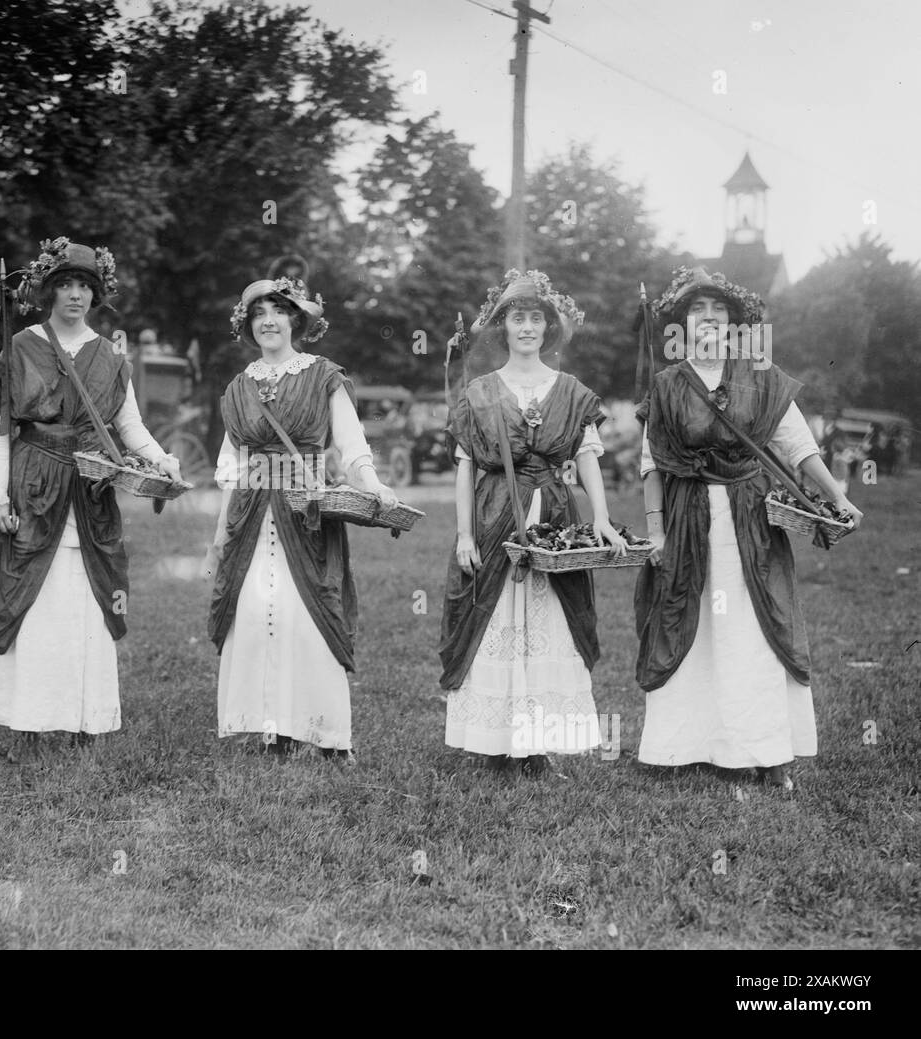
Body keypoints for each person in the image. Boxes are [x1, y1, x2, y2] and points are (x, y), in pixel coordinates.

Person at [636, 266, 864, 790]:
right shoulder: (668, 385)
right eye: (698, 310)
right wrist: (656, 531)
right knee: (693, 625)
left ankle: (766, 750)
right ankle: (694, 746)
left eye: (719, 311)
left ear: (735, 323)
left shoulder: (758, 375)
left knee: (754, 629)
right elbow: (654, 464)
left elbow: (797, 445)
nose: (709, 319)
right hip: (688, 517)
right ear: (682, 323)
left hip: (750, 519)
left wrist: (838, 496)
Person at [0, 237, 182, 762]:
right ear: (47, 291)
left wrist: (161, 459)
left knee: (86, 599)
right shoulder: (21, 346)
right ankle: (28, 716)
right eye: (65, 285)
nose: (75, 295)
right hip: (34, 481)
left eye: (84, 287)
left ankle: (84, 718)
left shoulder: (111, 356)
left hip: (90, 488)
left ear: (96, 295)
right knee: (34, 594)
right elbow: (2, 429)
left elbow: (128, 424)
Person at [438, 269, 627, 775]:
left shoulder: (568, 390)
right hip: (495, 511)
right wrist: (463, 534)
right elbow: (465, 467)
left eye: (535, 319)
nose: (526, 327)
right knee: (496, 615)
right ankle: (495, 740)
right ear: (504, 329)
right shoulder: (479, 392)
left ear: (548, 329)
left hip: (556, 517)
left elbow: (588, 458)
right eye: (517, 318)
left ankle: (538, 746)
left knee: (550, 619)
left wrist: (602, 519)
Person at [204, 277, 397, 760]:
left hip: (305, 512)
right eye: (258, 313)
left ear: (296, 320)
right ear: (249, 325)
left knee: (309, 614)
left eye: (278, 310)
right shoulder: (238, 388)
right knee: (252, 615)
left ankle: (328, 736)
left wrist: (373, 485)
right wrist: (217, 538)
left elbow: (352, 448)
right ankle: (275, 731)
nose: (268, 320)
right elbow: (231, 471)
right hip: (250, 514)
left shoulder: (323, 376)